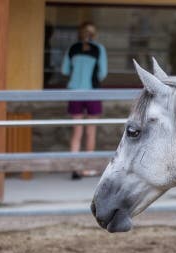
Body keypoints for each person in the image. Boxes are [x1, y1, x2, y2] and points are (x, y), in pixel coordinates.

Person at [62, 21, 107, 179]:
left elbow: (64, 70)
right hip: (92, 92)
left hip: (74, 92)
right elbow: (102, 73)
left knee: (77, 131)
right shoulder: (99, 49)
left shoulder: (72, 48)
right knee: (91, 131)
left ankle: (74, 167)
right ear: (94, 34)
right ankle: (87, 168)